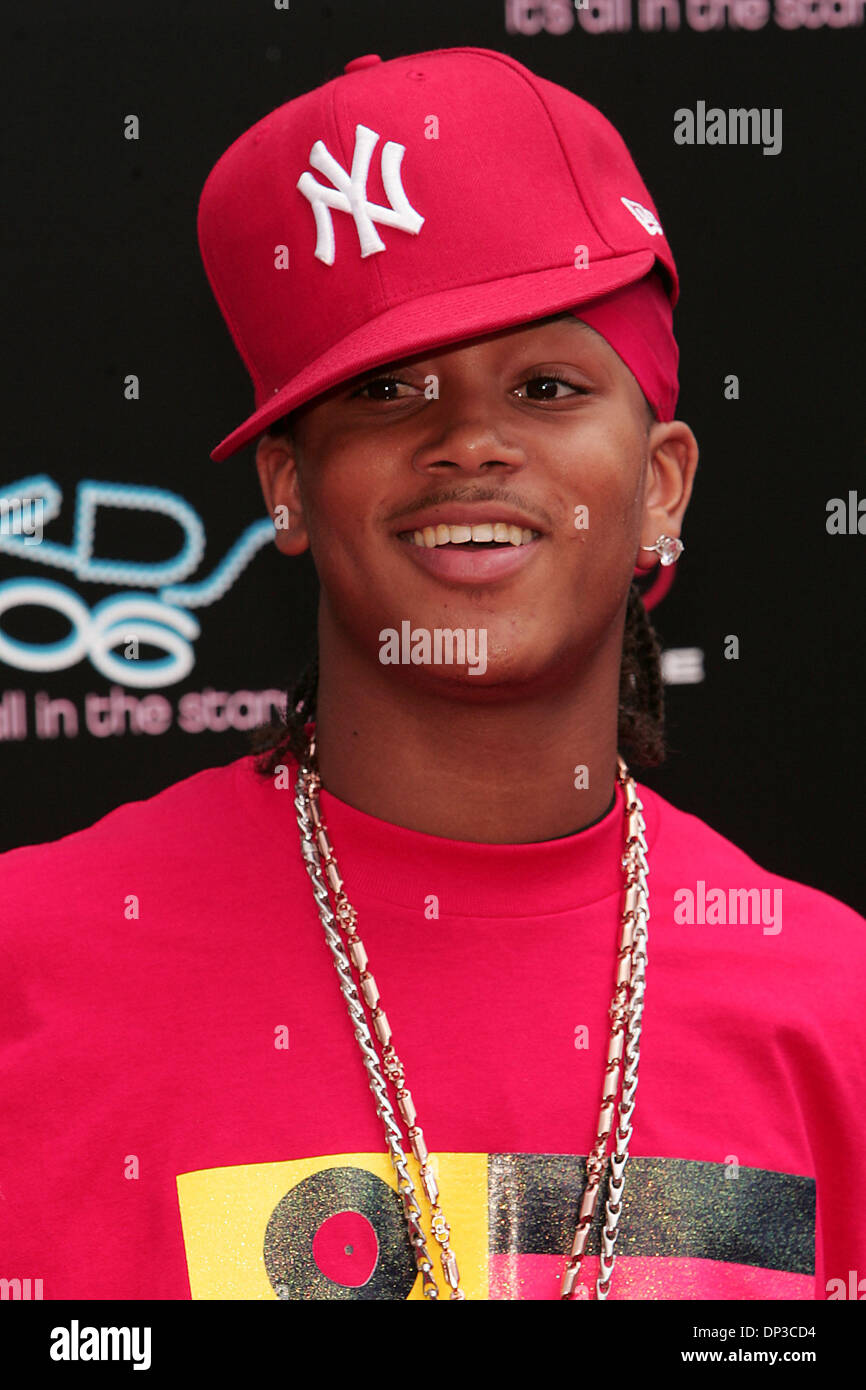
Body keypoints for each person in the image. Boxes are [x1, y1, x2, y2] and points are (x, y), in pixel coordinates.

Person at [0, 47, 863, 1304]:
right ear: (288, 486)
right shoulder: (28, 967)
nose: (468, 440)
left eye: (548, 385)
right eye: (390, 390)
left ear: (659, 488)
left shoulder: (831, 1005)